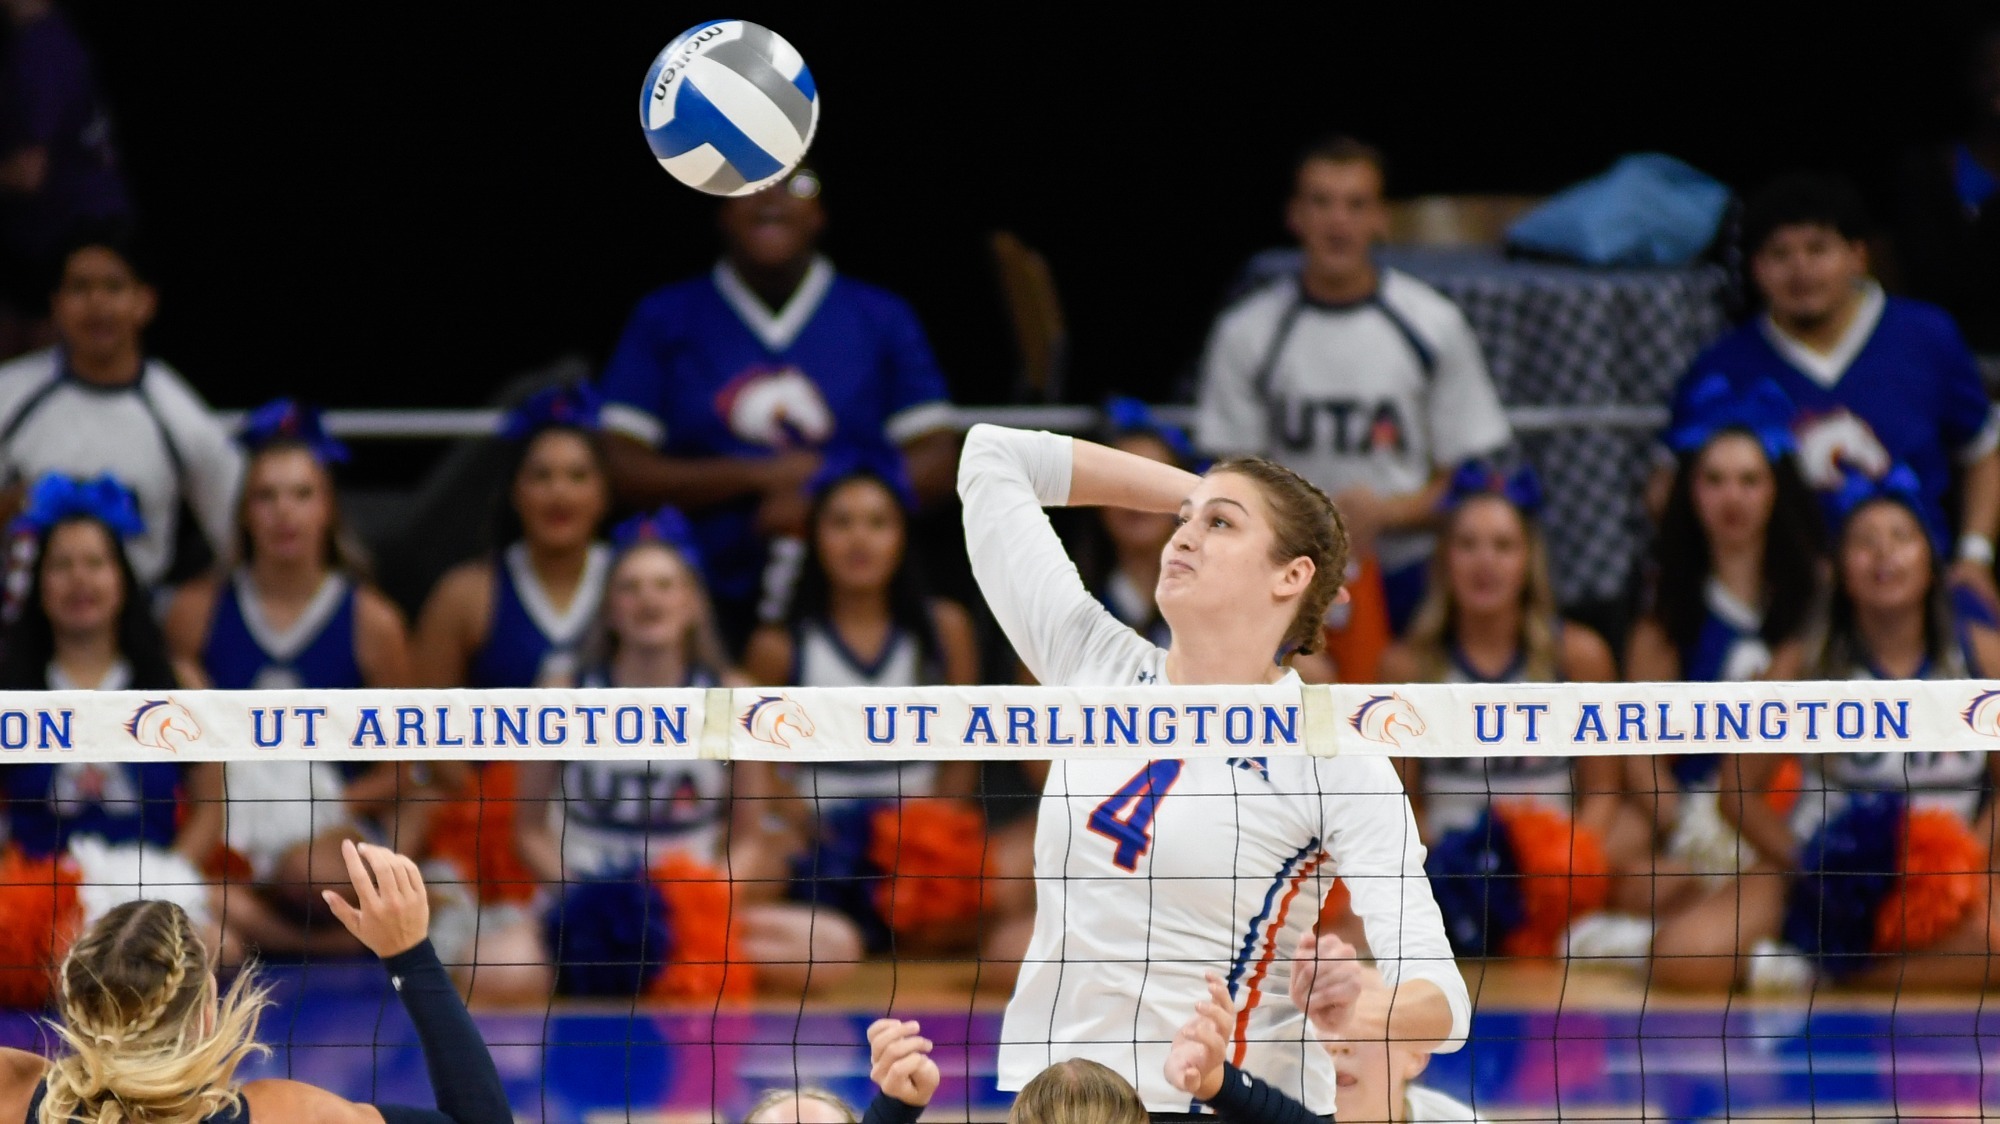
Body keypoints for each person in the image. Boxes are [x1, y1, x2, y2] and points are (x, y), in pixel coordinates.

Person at [959, 423, 1468, 1114]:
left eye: (1220, 524)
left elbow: (1443, 1003)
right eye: (1183, 521)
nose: (1183, 536)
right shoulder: (1098, 668)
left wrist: (1370, 1009)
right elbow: (993, 456)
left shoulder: (1334, 757)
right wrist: (1204, 490)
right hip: (1060, 1101)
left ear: (1291, 575)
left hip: (1217, 1102)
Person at [468, 507, 860, 1003]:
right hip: (585, 903)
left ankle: (666, 968)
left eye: (664, 585)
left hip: (688, 906)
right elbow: (527, 832)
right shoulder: (565, 694)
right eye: (630, 587)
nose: (647, 599)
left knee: (832, 947)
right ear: (609, 608)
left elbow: (749, 840)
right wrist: (590, 903)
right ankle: (618, 967)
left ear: (693, 603)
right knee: (492, 971)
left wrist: (701, 903)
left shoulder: (728, 696)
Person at [1650, 468, 2000, 992]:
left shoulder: (1980, 655)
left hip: (1946, 870)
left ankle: (1823, 972)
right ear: (1840, 571)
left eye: (1901, 538)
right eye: (1864, 542)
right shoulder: (1803, 664)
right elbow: (1736, 795)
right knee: (1683, 957)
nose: (1883, 555)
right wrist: (1815, 868)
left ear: (1931, 564)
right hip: (1819, 865)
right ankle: (1866, 958)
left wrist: (1966, 860)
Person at [595, 166, 959, 646]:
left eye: (797, 182)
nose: (771, 198)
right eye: (746, 181)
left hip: (844, 603)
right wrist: (757, 477)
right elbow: (619, 466)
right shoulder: (665, 317)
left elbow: (937, 461)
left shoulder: (881, 317)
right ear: (720, 209)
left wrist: (823, 498)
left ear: (822, 211)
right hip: (690, 598)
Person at [1194, 136, 1512, 658]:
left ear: (1382, 218)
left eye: (1356, 204)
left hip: (1409, 571)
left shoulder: (1432, 324)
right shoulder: (1247, 332)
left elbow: (1474, 474)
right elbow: (1224, 476)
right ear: (1295, 215)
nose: (1337, 221)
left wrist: (1392, 512)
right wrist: (1307, 521)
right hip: (1284, 574)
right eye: (1321, 202)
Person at [742, 445, 1027, 976]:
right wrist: (804, 826)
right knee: (750, 868)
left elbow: (964, 752)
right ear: (814, 537)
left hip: (916, 839)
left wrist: (931, 838)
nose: (859, 539)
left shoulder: (945, 630)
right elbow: (759, 766)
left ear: (902, 537)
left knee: (1014, 873)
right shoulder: (779, 646)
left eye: (878, 523)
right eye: (841, 523)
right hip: (816, 845)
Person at [1661, 173, 2000, 606]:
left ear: (1858, 256)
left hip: (1915, 588)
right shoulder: (1723, 369)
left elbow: (1982, 450)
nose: (1800, 269)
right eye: (1780, 254)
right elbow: (1669, 487)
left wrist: (1974, 556)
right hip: (1779, 601)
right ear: (1755, 269)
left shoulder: (1925, 337)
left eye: (1818, 249)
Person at [0, 839, 513, 1124]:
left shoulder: (16, 1091)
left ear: (73, 1005)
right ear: (205, 1012)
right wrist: (411, 956)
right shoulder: (286, 1114)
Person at [163, 400, 417, 956]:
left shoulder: (372, 620)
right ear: (244, 513)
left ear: (328, 509)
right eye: (266, 496)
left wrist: (307, 803)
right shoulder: (196, 610)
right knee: (190, 891)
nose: (285, 513)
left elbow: (401, 773)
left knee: (310, 869)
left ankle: (292, 935)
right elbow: (169, 748)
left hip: (324, 833)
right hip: (225, 828)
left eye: (302, 494)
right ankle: (325, 947)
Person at [1376, 463, 1653, 956]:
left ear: (1529, 560)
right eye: (1468, 544)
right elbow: (1401, 804)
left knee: (1643, 853)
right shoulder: (1406, 666)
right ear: (1444, 560)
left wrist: (1560, 864)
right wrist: (1456, 867)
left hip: (1557, 864)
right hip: (1446, 867)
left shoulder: (1579, 656)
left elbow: (1605, 792)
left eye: (1503, 546)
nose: (1486, 563)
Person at [0, 473, 219, 1001]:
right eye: (62, 565)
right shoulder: (9, 688)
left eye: (95, 563)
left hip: (156, 886)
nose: (80, 581)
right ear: (39, 584)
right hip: (44, 895)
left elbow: (213, 804)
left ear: (122, 579)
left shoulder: (179, 682)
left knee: (217, 944)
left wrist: (171, 877)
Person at [412, 384, 613, 919]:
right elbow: (425, 730)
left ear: (604, 493)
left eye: (577, 476)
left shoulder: (640, 587)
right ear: (516, 491)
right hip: (490, 821)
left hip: (610, 816)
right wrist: (501, 808)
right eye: (541, 476)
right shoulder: (467, 593)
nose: (559, 494)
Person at [1625, 378, 1822, 885]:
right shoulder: (1664, 620)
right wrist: (1697, 836)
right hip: (1697, 819)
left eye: (1749, 480)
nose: (1732, 498)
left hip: (1802, 809)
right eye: (1714, 480)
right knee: (1621, 873)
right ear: (1688, 492)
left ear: (1778, 490)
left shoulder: (1819, 601)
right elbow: (1642, 766)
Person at [0, 228, 242, 590]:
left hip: (136, 632)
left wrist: (190, 609)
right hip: (17, 629)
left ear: (145, 302)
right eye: (80, 288)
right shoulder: (9, 393)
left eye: (113, 288)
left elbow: (242, 538)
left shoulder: (181, 418)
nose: (97, 305)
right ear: (56, 304)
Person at [0, 0, 132, 357]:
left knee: (50, 365)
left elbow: (29, 172)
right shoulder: (40, 40)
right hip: (35, 242)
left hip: (71, 237)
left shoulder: (43, 49)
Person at [1890, 17, 2000, 352]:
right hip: (1946, 354)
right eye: (1990, 69)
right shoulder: (1928, 173)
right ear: (1971, 79)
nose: (1999, 80)